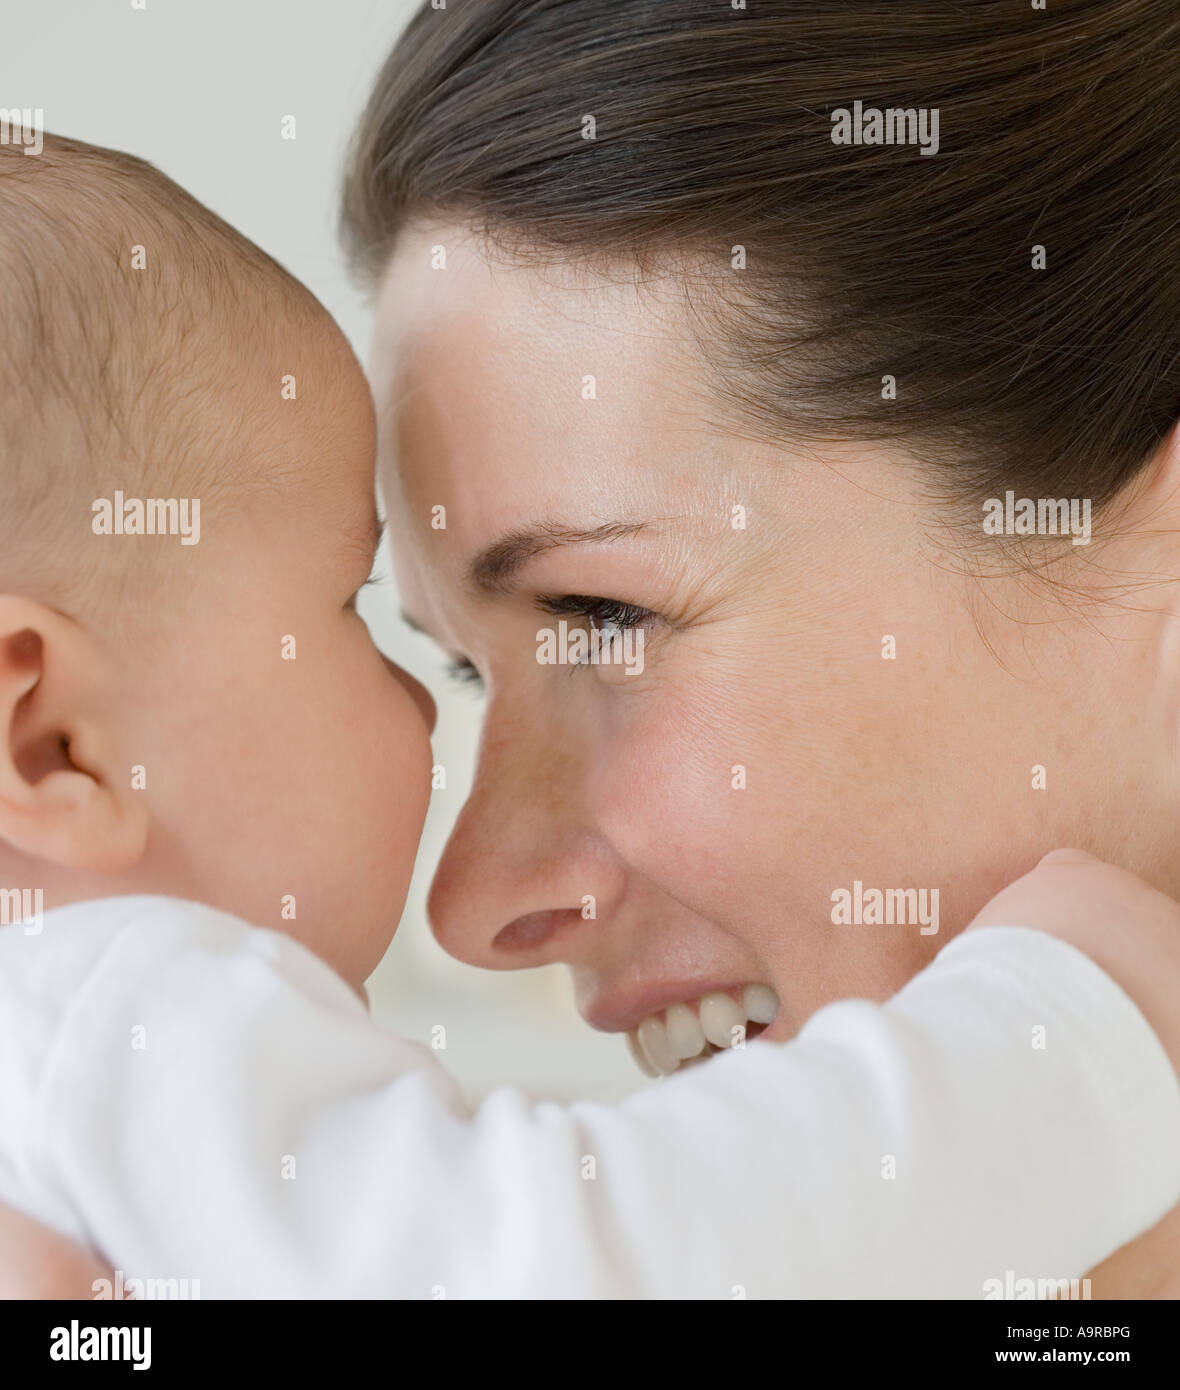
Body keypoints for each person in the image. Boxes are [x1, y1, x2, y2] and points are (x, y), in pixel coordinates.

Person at [2, 133, 1178, 1300]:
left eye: (605, 618)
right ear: (51, 743)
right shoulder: (117, 1004)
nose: (467, 909)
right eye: (367, 621)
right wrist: (1070, 1044)